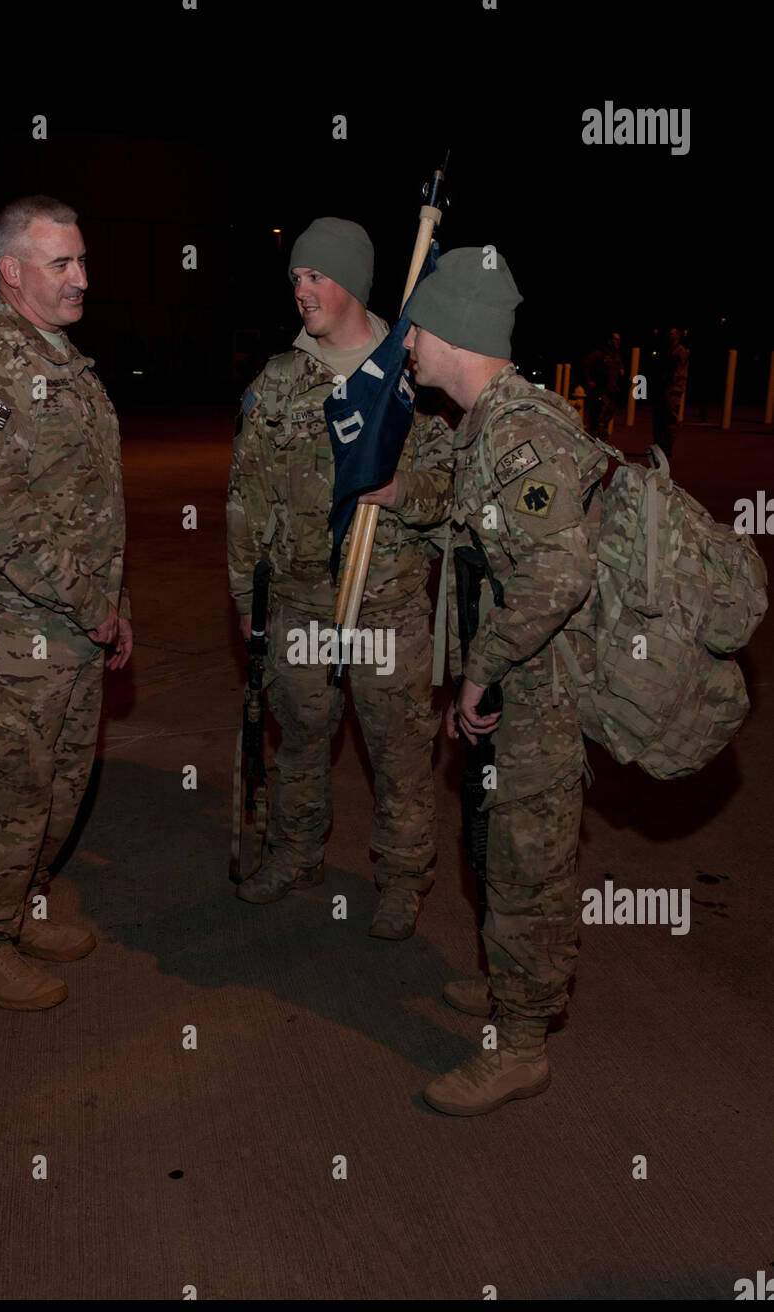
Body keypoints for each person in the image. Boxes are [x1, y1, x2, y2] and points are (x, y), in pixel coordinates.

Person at [402, 247, 607, 1115]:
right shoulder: (483, 424)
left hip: (542, 693)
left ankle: (521, 1046)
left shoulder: (520, 434)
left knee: (527, 862)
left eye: (414, 325)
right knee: (493, 844)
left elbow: (560, 576)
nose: (405, 342)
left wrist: (481, 672)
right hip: (515, 685)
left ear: (450, 331)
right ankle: (508, 989)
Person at [0, 195, 132, 1011]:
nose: (82, 277)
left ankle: (16, 907)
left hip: (76, 622)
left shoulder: (63, 362)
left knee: (60, 787)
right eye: (62, 264)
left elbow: (91, 502)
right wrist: (92, 604)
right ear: (13, 272)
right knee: (10, 793)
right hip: (10, 631)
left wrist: (116, 604)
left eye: (81, 259)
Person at [227, 217, 452, 940]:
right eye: (295, 277)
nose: (302, 290)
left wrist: (400, 491)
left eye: (316, 275)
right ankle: (295, 852)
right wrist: (244, 598)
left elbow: (458, 492)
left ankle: (400, 879)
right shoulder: (280, 380)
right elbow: (246, 499)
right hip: (298, 606)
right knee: (299, 739)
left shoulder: (413, 374)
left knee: (397, 751)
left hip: (385, 608)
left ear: (352, 281)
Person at [651, 327, 689, 459]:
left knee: (670, 420)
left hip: (673, 389)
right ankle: (658, 446)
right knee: (659, 418)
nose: (670, 337)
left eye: (673, 334)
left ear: (678, 336)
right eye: (669, 334)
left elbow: (676, 371)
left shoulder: (680, 351)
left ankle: (666, 447)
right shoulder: (665, 350)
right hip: (663, 388)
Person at [582, 331, 625, 436]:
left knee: (608, 415)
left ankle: (601, 436)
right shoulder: (599, 354)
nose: (617, 342)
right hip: (601, 390)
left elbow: (620, 369)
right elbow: (585, 365)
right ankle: (596, 437)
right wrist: (589, 380)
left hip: (612, 390)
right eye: (615, 339)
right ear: (609, 341)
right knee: (598, 416)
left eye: (619, 340)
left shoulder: (616, 355)